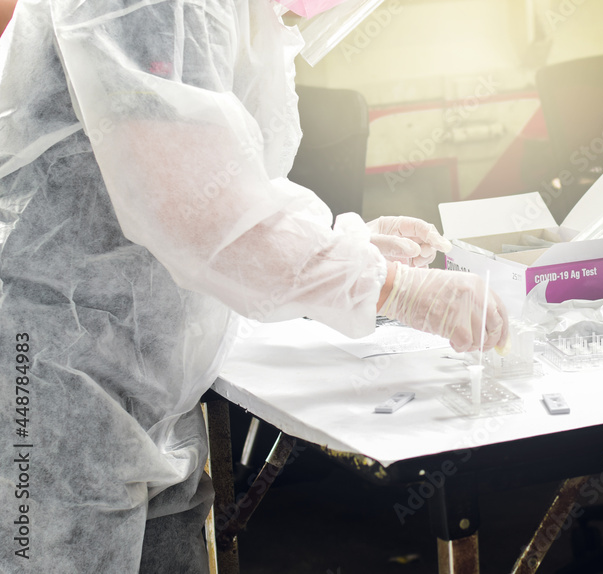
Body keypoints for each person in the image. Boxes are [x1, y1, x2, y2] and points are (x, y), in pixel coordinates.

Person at [0, 0, 507, 572]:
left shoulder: (234, 12)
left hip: (149, 388)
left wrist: (347, 246)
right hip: (46, 379)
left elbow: (234, 181)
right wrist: (391, 287)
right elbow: (195, 210)